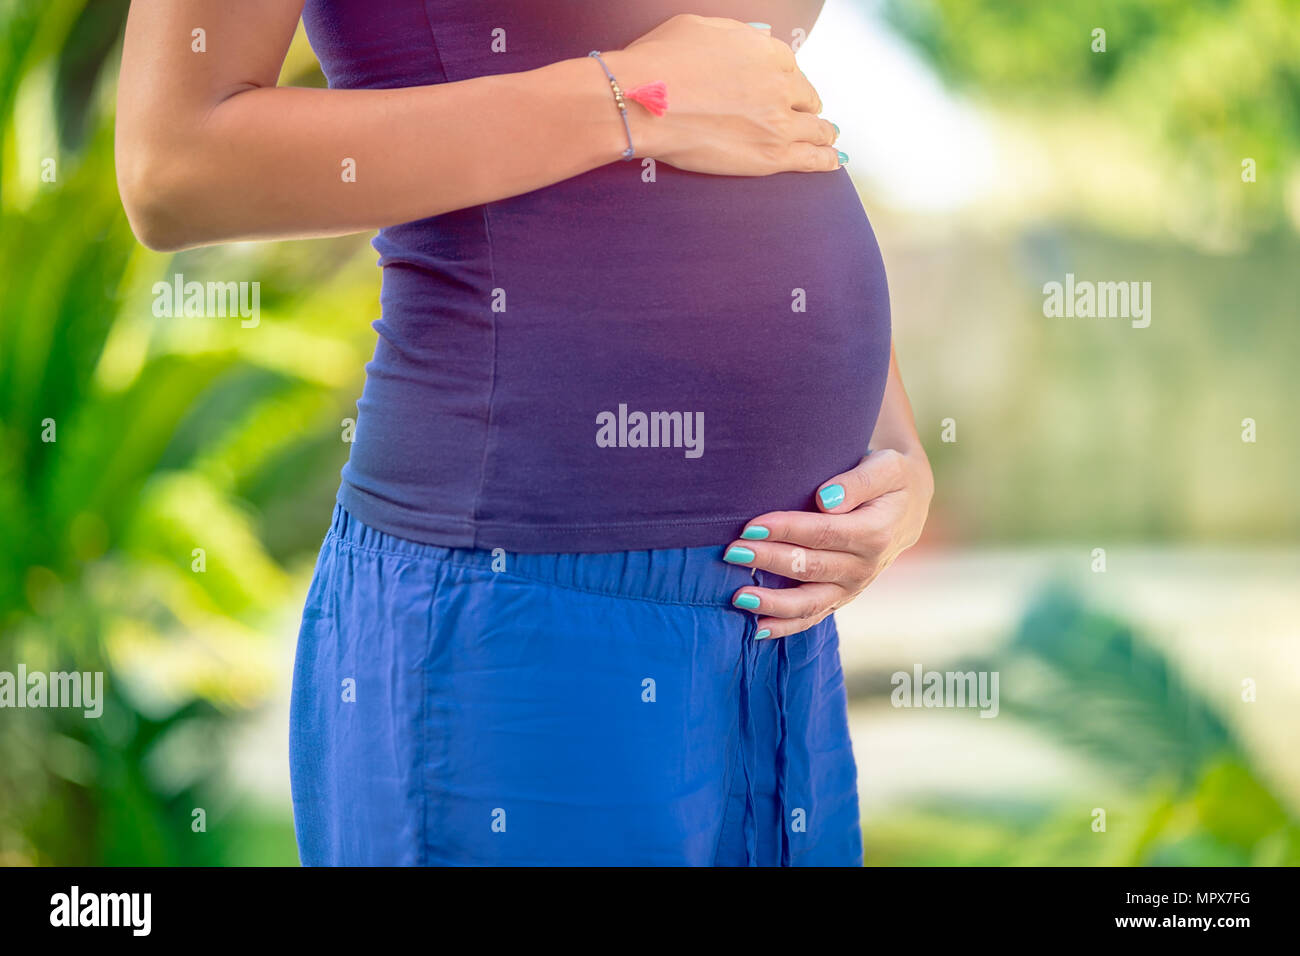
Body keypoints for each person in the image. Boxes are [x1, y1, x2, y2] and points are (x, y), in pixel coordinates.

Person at [116, 0, 933, 866]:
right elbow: (174, 163)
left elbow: (758, 111)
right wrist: (626, 101)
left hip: (779, 629)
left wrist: (891, 446)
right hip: (523, 608)